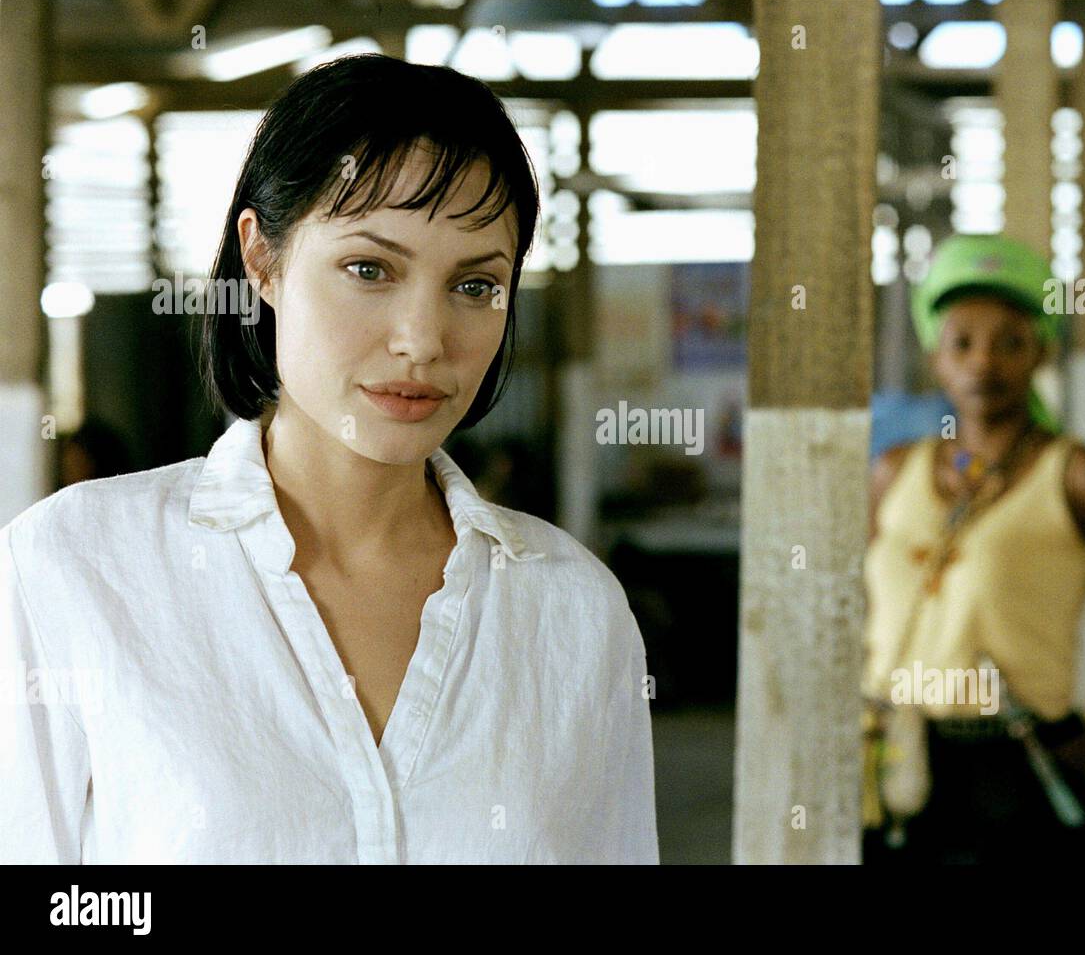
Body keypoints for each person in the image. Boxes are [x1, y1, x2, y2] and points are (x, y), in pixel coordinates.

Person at [0, 55, 657, 864]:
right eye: (368, 269)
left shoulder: (573, 613)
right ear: (262, 260)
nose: (422, 339)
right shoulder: (75, 568)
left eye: (476, 285)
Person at [860, 233, 1085, 865]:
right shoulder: (893, 472)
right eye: (962, 342)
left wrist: (1073, 757)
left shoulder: (1084, 478)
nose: (984, 362)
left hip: (1015, 771)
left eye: (1011, 341)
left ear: (1042, 351)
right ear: (936, 357)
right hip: (895, 759)